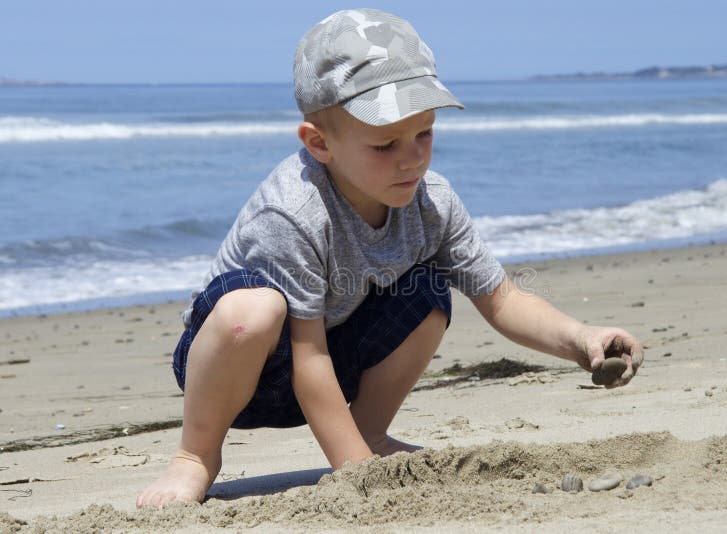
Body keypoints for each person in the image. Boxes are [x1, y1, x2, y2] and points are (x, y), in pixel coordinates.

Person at [137, 8, 644, 508]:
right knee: (253, 310)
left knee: (427, 291)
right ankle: (195, 456)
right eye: (385, 145)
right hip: (238, 370)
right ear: (320, 143)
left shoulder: (431, 203)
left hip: (334, 364)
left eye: (424, 134)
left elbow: (502, 299)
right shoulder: (292, 213)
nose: (412, 158)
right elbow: (306, 356)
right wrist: (355, 474)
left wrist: (582, 339)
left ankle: (369, 434)